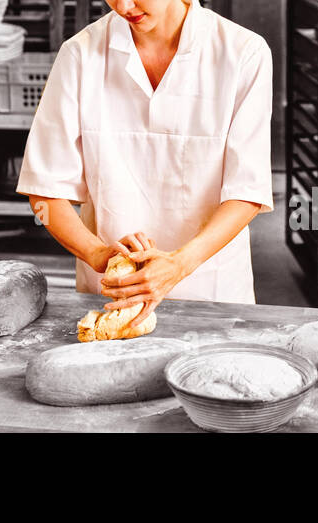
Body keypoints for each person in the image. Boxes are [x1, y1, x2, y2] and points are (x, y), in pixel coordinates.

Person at [17, 0, 273, 327]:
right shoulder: (80, 54)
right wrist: (96, 254)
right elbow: (44, 191)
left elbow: (247, 191)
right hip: (111, 296)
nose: (124, 6)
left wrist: (179, 264)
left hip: (211, 292)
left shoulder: (243, 53)